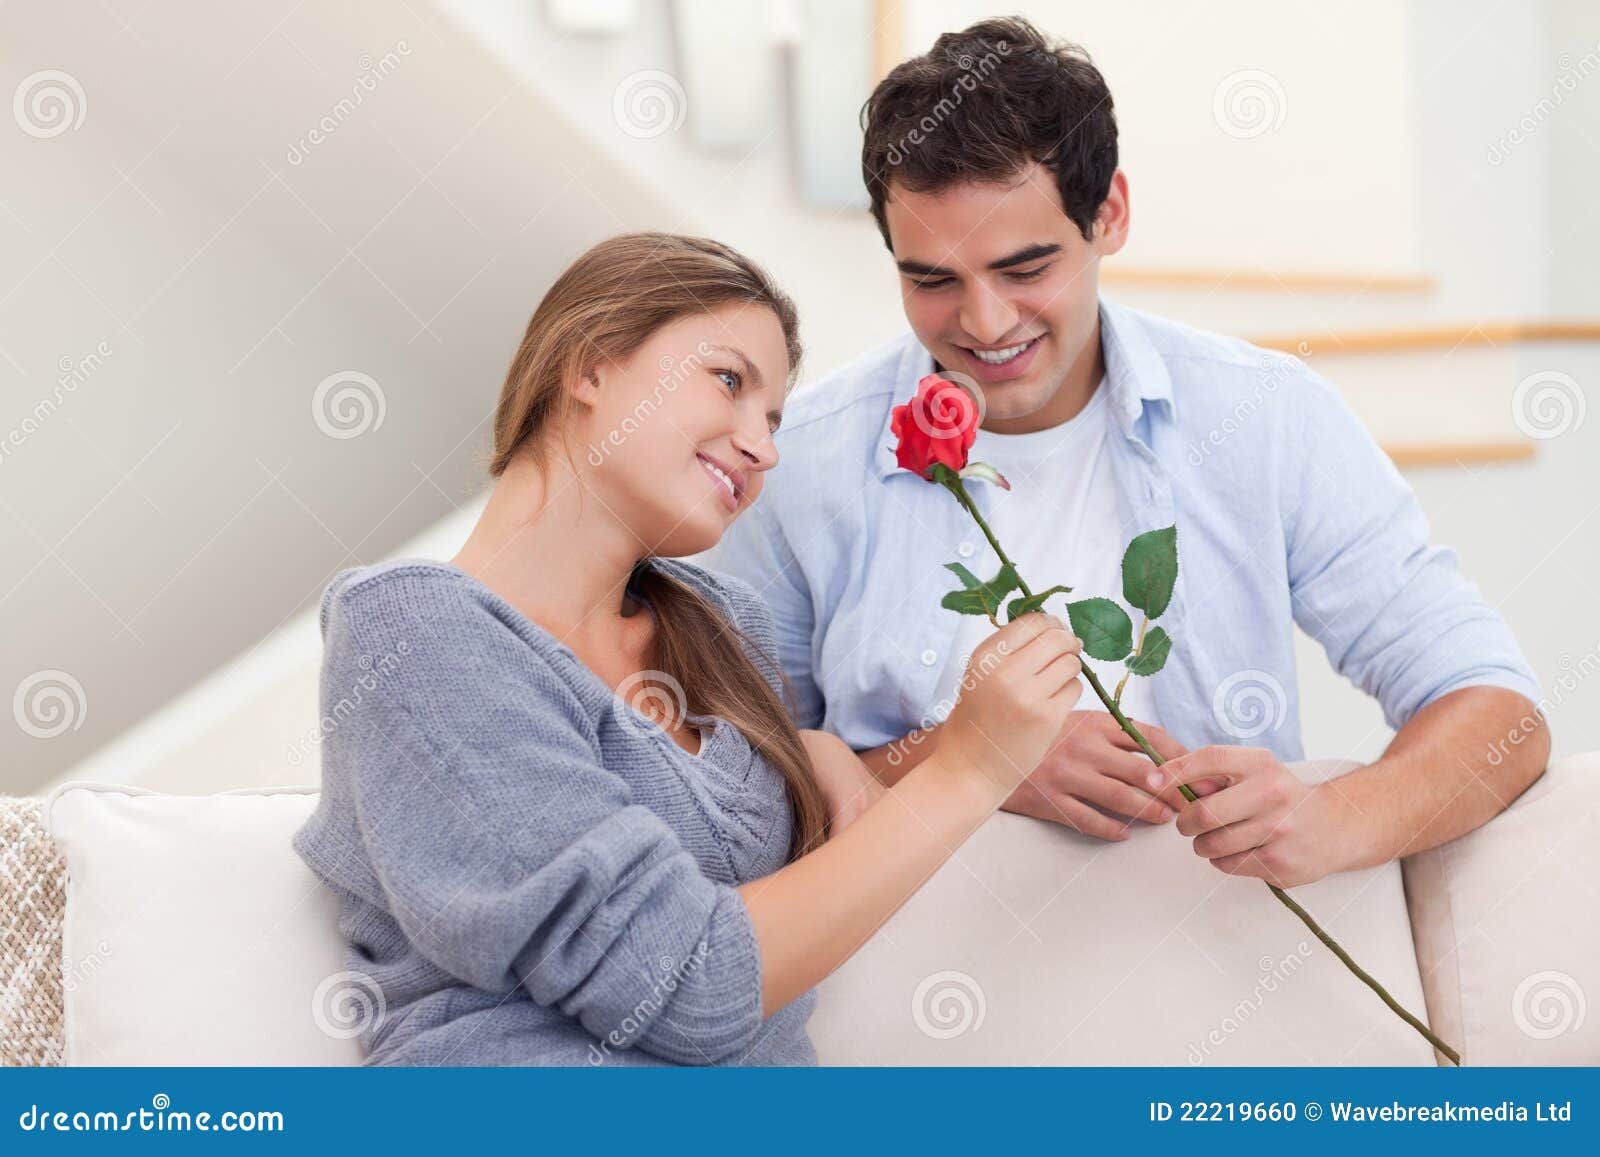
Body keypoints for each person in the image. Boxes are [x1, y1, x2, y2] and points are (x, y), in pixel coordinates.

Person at [711, 17, 1549, 889]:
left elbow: (1500, 712)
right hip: (905, 979)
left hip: (1223, 959)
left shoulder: (1266, 418)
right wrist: (974, 762)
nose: (986, 323)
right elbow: (730, 785)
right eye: (933, 280)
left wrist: (1337, 816)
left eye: (1027, 269)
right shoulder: (800, 460)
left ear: (1107, 214)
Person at [292, 232, 1085, 1066]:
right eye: (729, 381)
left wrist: (811, 752)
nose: (764, 446)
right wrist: (971, 764)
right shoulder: (417, 634)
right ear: (590, 366)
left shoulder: (718, 629)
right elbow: (686, 984)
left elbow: (788, 900)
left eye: (773, 419)